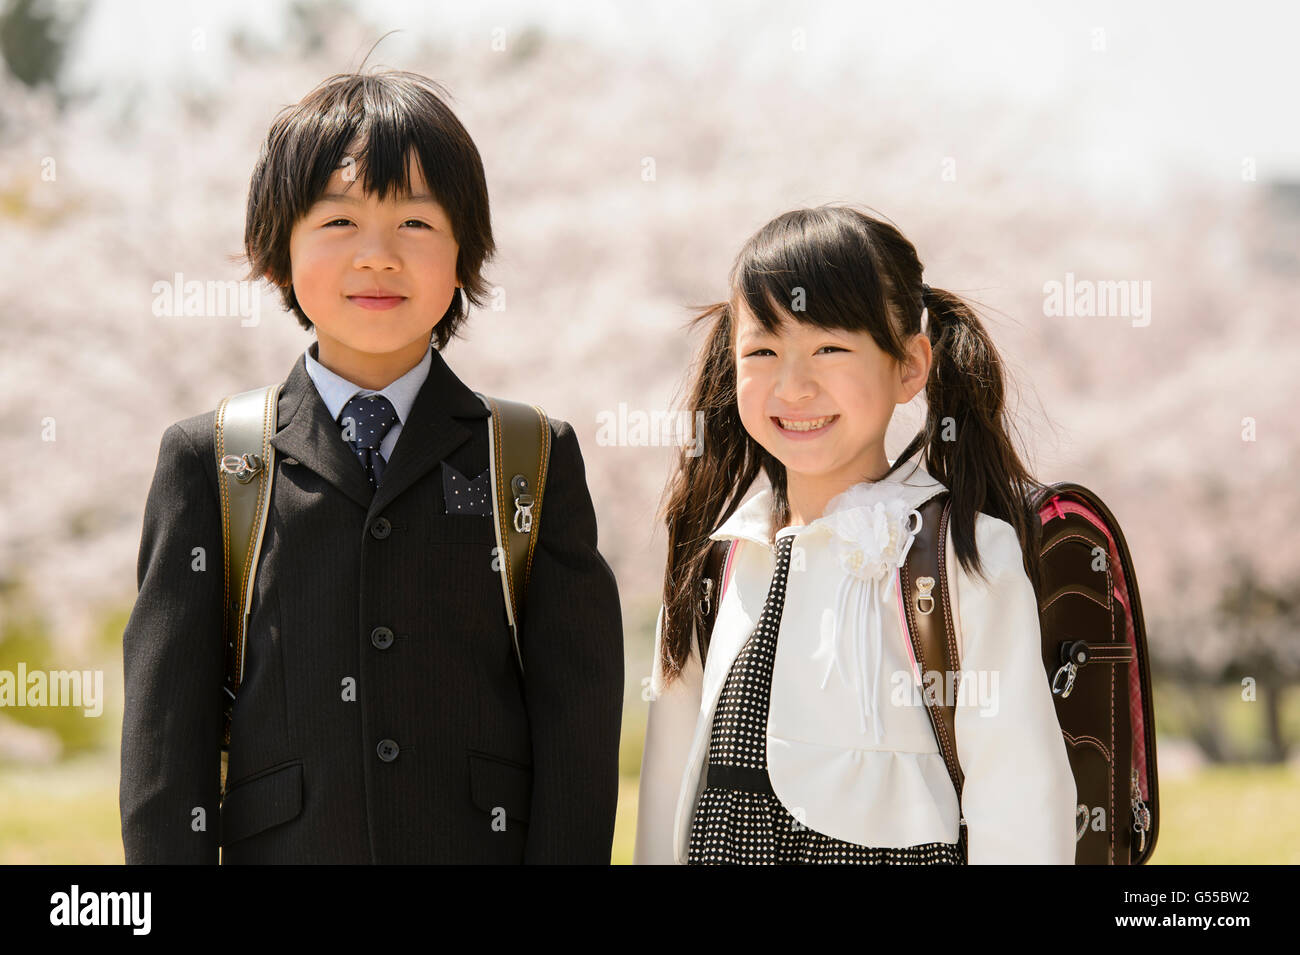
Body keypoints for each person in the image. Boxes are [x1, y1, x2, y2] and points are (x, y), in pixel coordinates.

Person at [119, 68, 624, 864]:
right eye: (340, 221)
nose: (378, 257)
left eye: (417, 225)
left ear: (465, 253)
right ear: (279, 249)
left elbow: (578, 731)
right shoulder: (212, 462)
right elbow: (162, 751)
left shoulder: (527, 455)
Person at [634, 205, 1076, 864]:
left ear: (909, 365)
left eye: (830, 348)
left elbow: (1020, 801)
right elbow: (670, 788)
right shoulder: (722, 557)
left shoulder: (956, 556)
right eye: (762, 350)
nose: (795, 385)